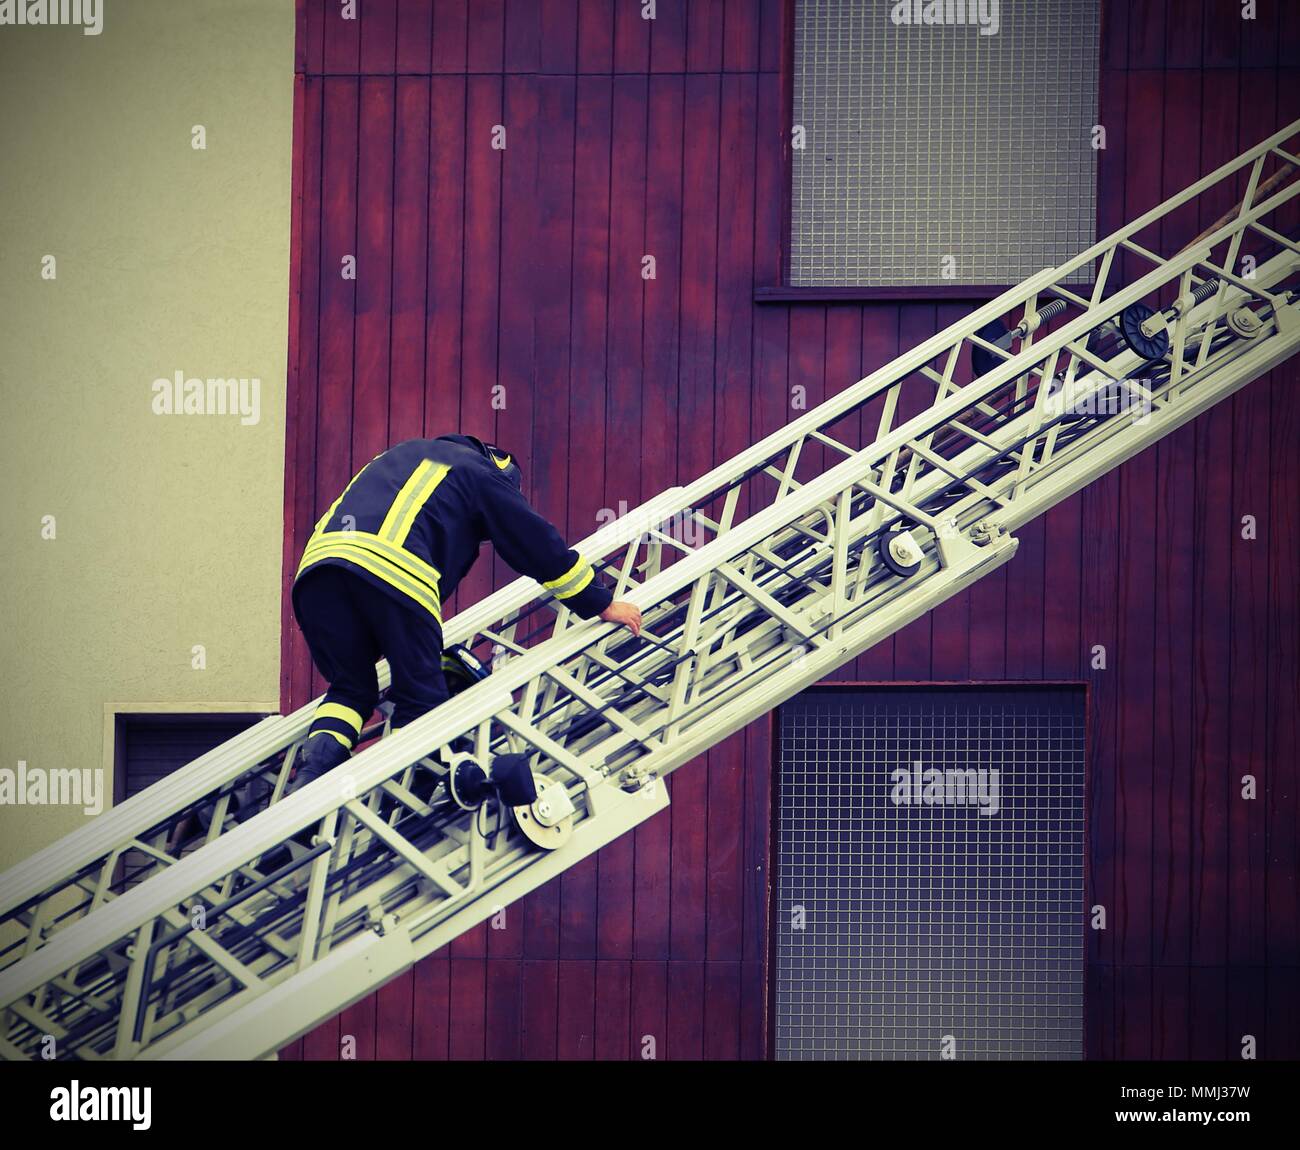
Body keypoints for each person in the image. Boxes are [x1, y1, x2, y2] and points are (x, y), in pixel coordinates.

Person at [290, 434, 642, 788]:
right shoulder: (479, 472)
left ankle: (308, 780)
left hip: (317, 575)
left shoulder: (399, 458)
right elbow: (534, 542)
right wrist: (599, 602)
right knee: (421, 698)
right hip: (392, 568)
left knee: (351, 690)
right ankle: (406, 810)